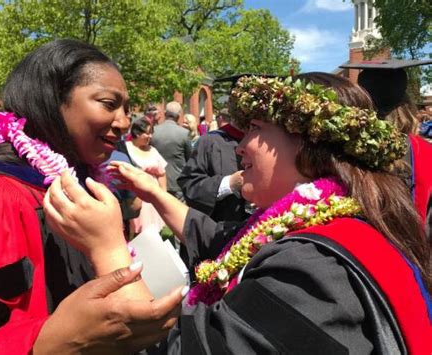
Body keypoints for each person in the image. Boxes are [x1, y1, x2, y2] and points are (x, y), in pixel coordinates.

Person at [46, 72, 431, 353]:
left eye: (257, 129)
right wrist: (156, 195)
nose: (241, 145)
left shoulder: (313, 273)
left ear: (310, 143)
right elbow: (223, 242)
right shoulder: (327, 222)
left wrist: (109, 246)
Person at [0, 39, 186, 353]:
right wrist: (52, 343)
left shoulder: (81, 181)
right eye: (108, 103)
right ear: (54, 100)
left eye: (126, 109)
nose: (122, 122)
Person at [341, 59, 432, 239]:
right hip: (412, 255)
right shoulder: (424, 152)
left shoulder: (341, 150)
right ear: (407, 103)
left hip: (351, 256)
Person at [177, 107, 248, 223]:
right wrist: (228, 183)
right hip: (221, 229)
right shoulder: (210, 141)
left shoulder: (275, 142)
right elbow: (189, 185)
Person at [126, 117, 167, 234]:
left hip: (151, 196)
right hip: (134, 194)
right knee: (133, 228)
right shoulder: (126, 148)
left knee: (152, 229)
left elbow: (162, 173)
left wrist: (162, 194)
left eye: (151, 134)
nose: (150, 137)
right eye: (147, 134)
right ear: (137, 133)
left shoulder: (152, 150)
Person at [151, 101, 192, 201]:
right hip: (177, 182)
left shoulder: (153, 131)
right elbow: (190, 158)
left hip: (157, 180)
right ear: (178, 116)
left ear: (165, 114)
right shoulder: (184, 133)